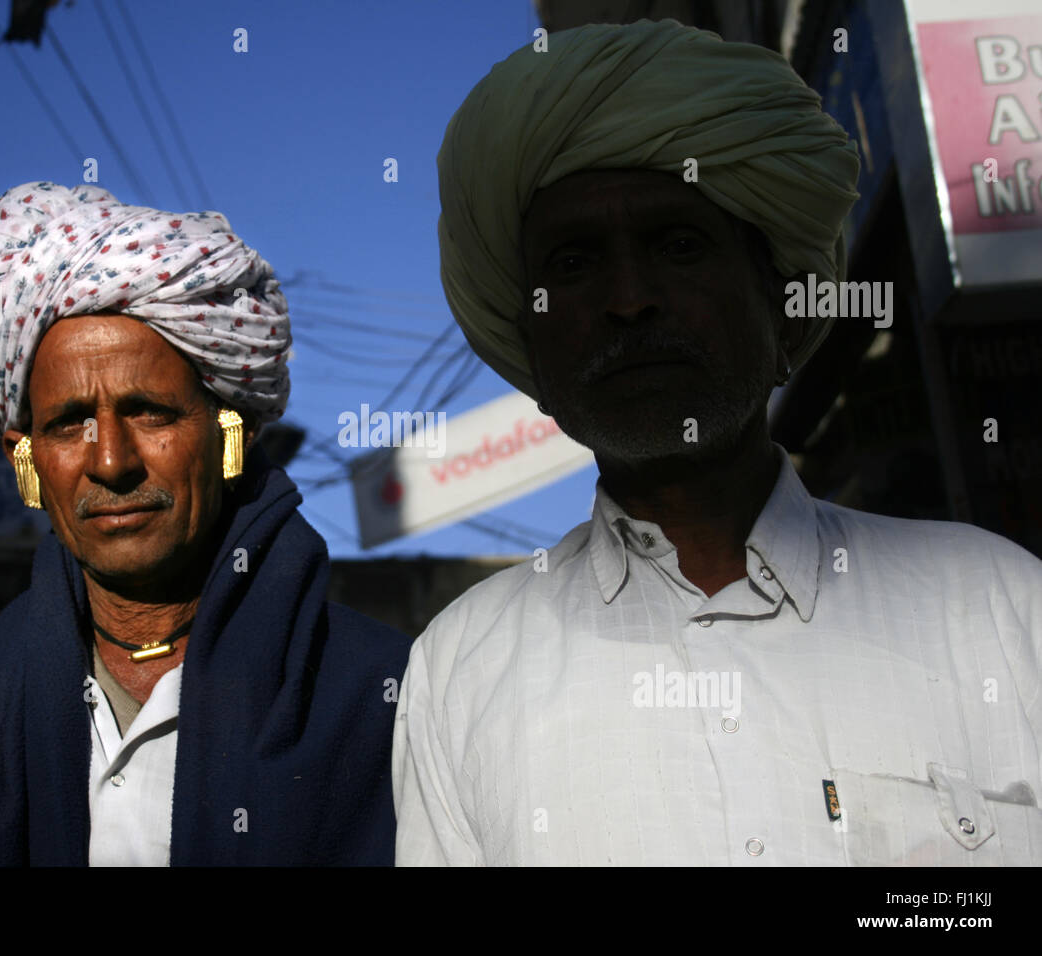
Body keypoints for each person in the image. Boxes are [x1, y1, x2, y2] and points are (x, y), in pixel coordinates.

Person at [393, 20, 1042, 866]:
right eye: (577, 264)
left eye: (679, 244)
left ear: (783, 312)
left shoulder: (998, 606)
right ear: (538, 361)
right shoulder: (458, 674)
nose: (630, 299)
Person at [0, 181, 410, 865]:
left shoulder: (386, 700)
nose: (111, 462)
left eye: (150, 411)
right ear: (24, 459)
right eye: (67, 424)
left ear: (227, 433)